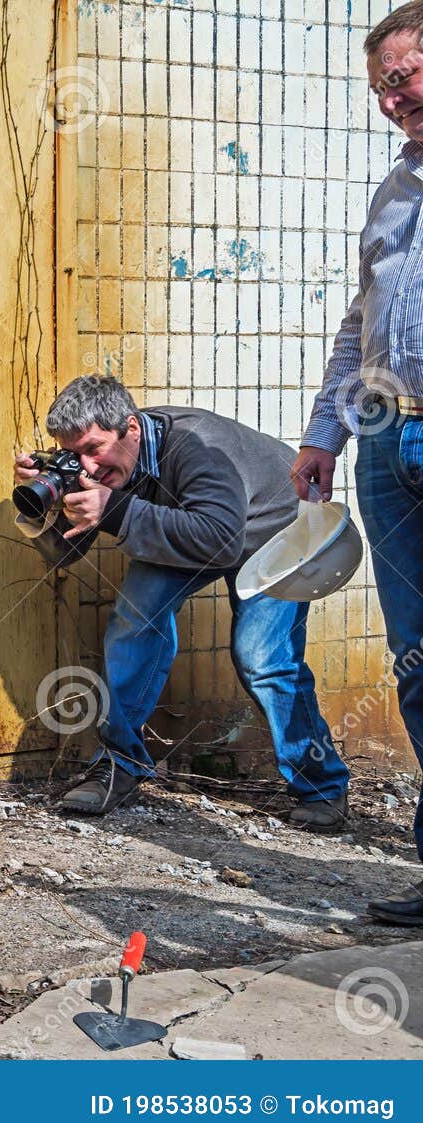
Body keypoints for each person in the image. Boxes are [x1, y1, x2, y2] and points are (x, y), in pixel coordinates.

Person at [16, 375, 349, 826]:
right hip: (192, 526)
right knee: (135, 617)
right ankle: (119, 766)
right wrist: (43, 506)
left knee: (263, 659)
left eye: (94, 449)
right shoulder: (103, 464)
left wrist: (113, 509)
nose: (88, 467)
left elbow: (222, 541)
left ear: (131, 429)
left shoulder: (196, 448)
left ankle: (322, 787)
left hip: (273, 528)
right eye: (75, 455)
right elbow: (66, 553)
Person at [292, 1, 423, 926]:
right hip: (387, 442)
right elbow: (361, 322)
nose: (390, 98)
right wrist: (324, 431)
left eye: (404, 77)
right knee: (416, 662)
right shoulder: (393, 188)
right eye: (381, 85)